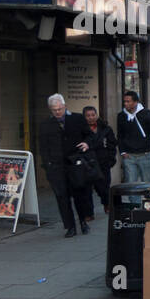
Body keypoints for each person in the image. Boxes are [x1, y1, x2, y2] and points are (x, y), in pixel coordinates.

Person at [38, 94, 92, 236]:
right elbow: (43, 147)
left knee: (79, 195)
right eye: (54, 110)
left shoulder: (77, 119)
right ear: (50, 109)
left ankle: (83, 222)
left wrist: (87, 143)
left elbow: (90, 135)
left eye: (60, 109)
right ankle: (70, 226)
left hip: (75, 164)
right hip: (56, 167)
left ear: (65, 106)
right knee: (62, 197)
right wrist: (48, 165)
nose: (57, 112)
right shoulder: (45, 125)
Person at [117, 89, 150, 190]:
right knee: (130, 183)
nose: (126, 104)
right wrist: (122, 151)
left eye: (128, 101)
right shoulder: (121, 116)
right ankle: (135, 205)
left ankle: (147, 204)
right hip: (129, 155)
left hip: (145, 154)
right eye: (124, 101)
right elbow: (120, 135)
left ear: (135, 102)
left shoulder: (146, 113)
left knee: (148, 183)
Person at [81, 106, 118, 217]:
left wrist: (110, 159)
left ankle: (107, 204)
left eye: (93, 115)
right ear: (84, 117)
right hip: (87, 163)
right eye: (88, 115)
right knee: (86, 190)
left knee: (103, 188)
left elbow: (112, 145)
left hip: (103, 163)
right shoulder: (81, 129)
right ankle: (89, 213)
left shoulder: (106, 128)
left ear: (96, 115)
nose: (91, 118)